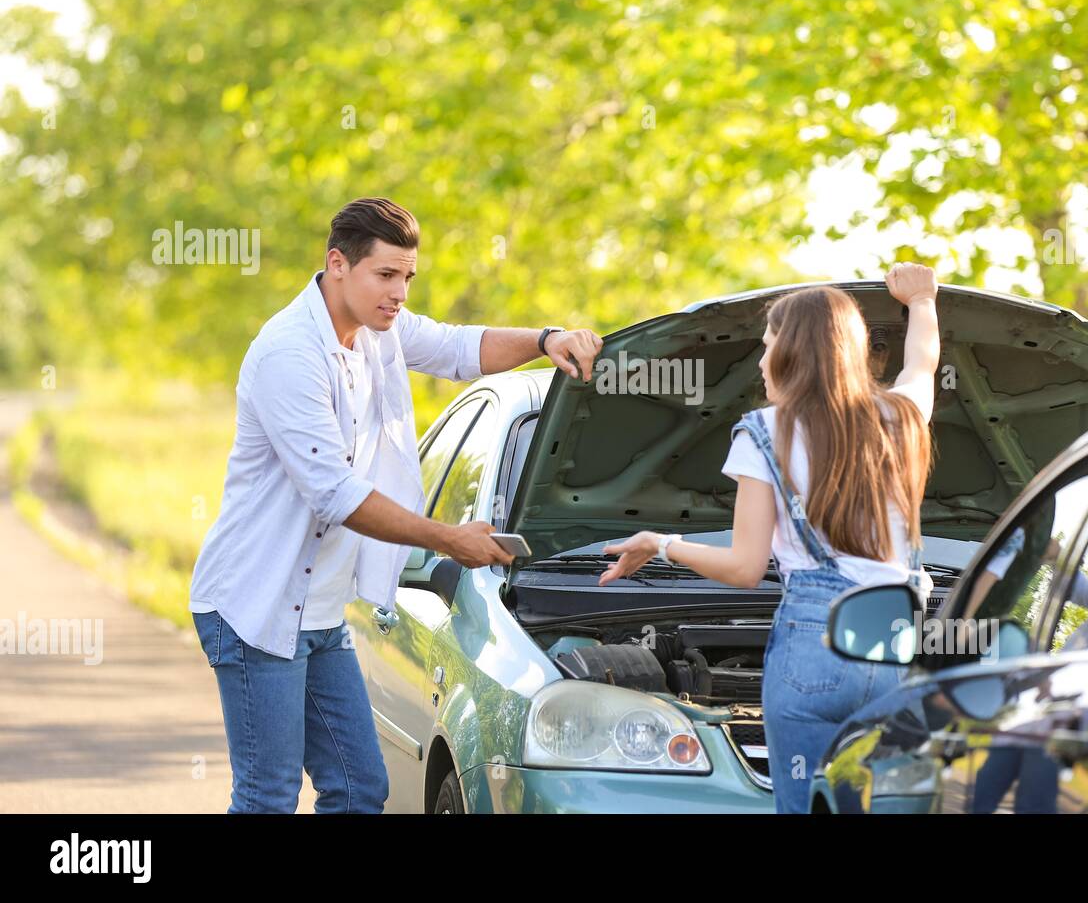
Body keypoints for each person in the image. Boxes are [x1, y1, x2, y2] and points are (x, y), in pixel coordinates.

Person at [189, 197, 603, 813]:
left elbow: (461, 348)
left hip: (319, 611)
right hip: (255, 605)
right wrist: (448, 537)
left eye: (408, 276)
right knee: (267, 796)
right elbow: (334, 493)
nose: (400, 292)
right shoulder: (289, 354)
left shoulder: (379, 330)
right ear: (337, 264)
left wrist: (547, 339)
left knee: (360, 789)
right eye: (386, 275)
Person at [600, 265, 941, 813]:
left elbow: (744, 568)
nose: (760, 361)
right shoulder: (901, 418)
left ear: (793, 353)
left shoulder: (766, 432)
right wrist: (922, 300)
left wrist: (660, 543)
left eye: (768, 346)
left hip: (815, 653)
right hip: (896, 655)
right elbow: (923, 362)